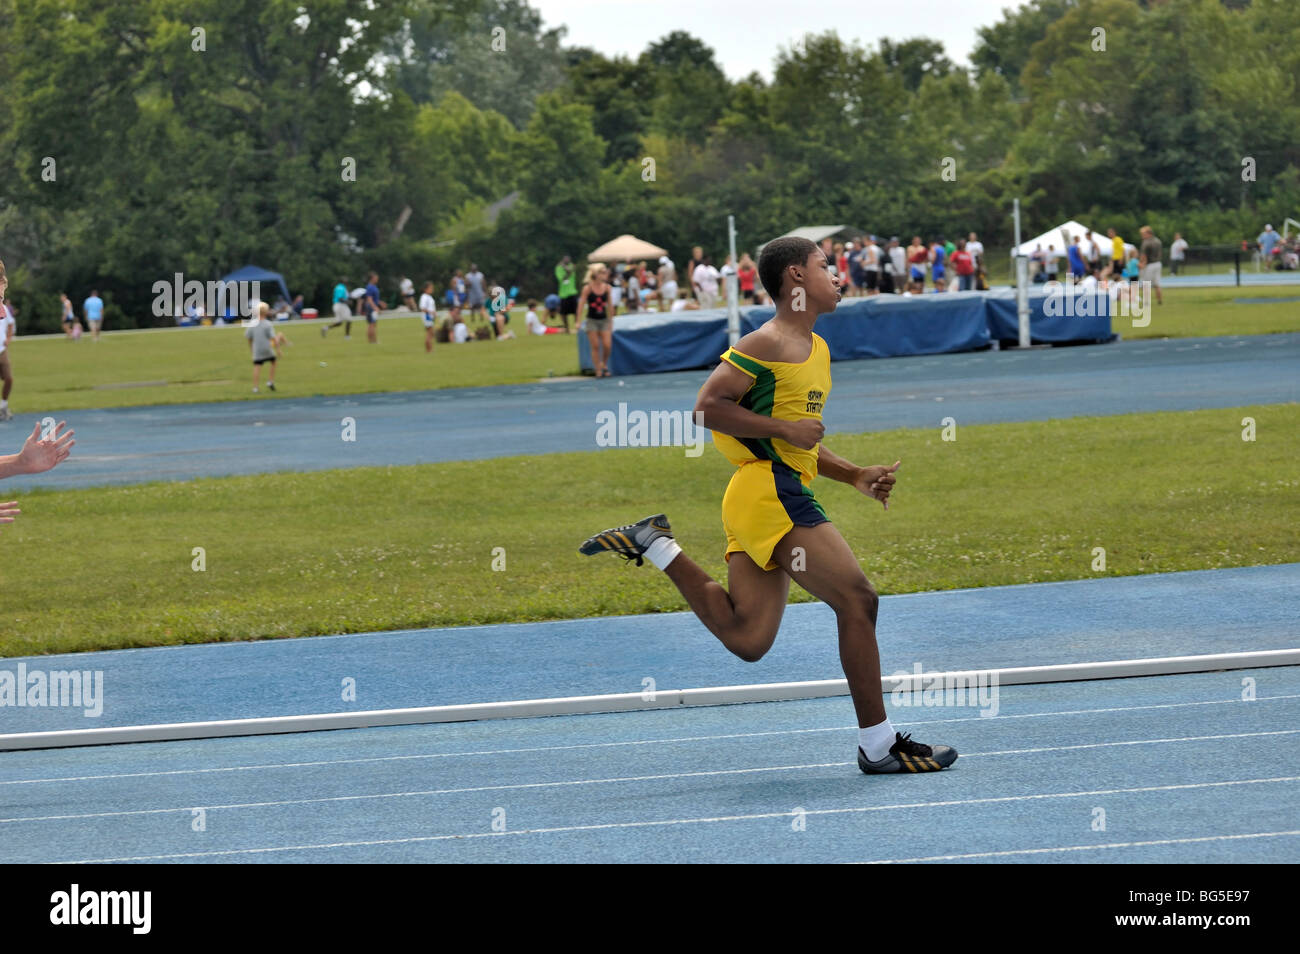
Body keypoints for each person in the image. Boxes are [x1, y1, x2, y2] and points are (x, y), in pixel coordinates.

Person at [579, 236, 957, 776]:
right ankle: (878, 746)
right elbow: (707, 408)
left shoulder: (817, 349)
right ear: (797, 277)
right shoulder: (768, 340)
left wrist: (853, 474)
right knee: (858, 600)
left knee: (748, 638)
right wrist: (785, 427)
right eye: (826, 266)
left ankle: (656, 544)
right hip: (771, 491)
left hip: (760, 495)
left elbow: (797, 441)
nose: (838, 275)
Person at [580, 264, 614, 378]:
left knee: (607, 345)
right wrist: (577, 320)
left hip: (604, 319)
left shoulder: (607, 288)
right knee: (595, 346)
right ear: (596, 274)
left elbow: (610, 305)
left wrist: (611, 319)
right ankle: (598, 369)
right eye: (602, 272)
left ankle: (604, 364)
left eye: (605, 272)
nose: (605, 275)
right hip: (592, 320)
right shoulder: (588, 288)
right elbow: (581, 304)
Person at [245, 302, 279, 393]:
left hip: (257, 349)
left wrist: (251, 348)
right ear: (266, 312)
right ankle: (270, 381)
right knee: (273, 361)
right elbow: (273, 337)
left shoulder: (252, 323)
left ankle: (255, 387)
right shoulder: (268, 324)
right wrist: (278, 349)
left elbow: (249, 337)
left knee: (257, 366)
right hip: (267, 348)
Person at [1138, 225, 1164, 306]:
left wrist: (1141, 264)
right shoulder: (1158, 241)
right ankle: (1159, 301)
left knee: (1146, 284)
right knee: (1157, 283)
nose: (1142, 236)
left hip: (1149, 265)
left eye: (1143, 234)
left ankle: (1146, 302)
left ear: (1148, 233)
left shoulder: (1146, 243)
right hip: (1158, 263)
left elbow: (1143, 256)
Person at [555, 256, 579, 332]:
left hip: (572, 292)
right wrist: (566, 269)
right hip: (563, 294)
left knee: (576, 312)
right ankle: (567, 328)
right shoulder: (558, 268)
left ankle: (577, 327)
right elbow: (562, 278)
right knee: (564, 313)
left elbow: (571, 271)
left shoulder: (571, 266)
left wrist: (566, 268)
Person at [362, 271, 385, 344]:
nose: (377, 279)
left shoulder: (373, 286)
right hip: (371, 308)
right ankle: (373, 341)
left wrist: (380, 302)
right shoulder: (370, 287)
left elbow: (375, 299)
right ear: (372, 278)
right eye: (376, 278)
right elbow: (369, 299)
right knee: (372, 324)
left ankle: (371, 341)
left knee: (372, 324)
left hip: (372, 307)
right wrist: (375, 308)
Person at [419, 281, 437, 352]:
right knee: (430, 333)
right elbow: (423, 308)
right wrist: (432, 313)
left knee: (431, 333)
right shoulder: (424, 297)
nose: (432, 289)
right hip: (427, 317)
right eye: (430, 288)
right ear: (425, 289)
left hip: (429, 316)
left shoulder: (429, 297)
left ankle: (429, 348)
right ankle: (429, 349)